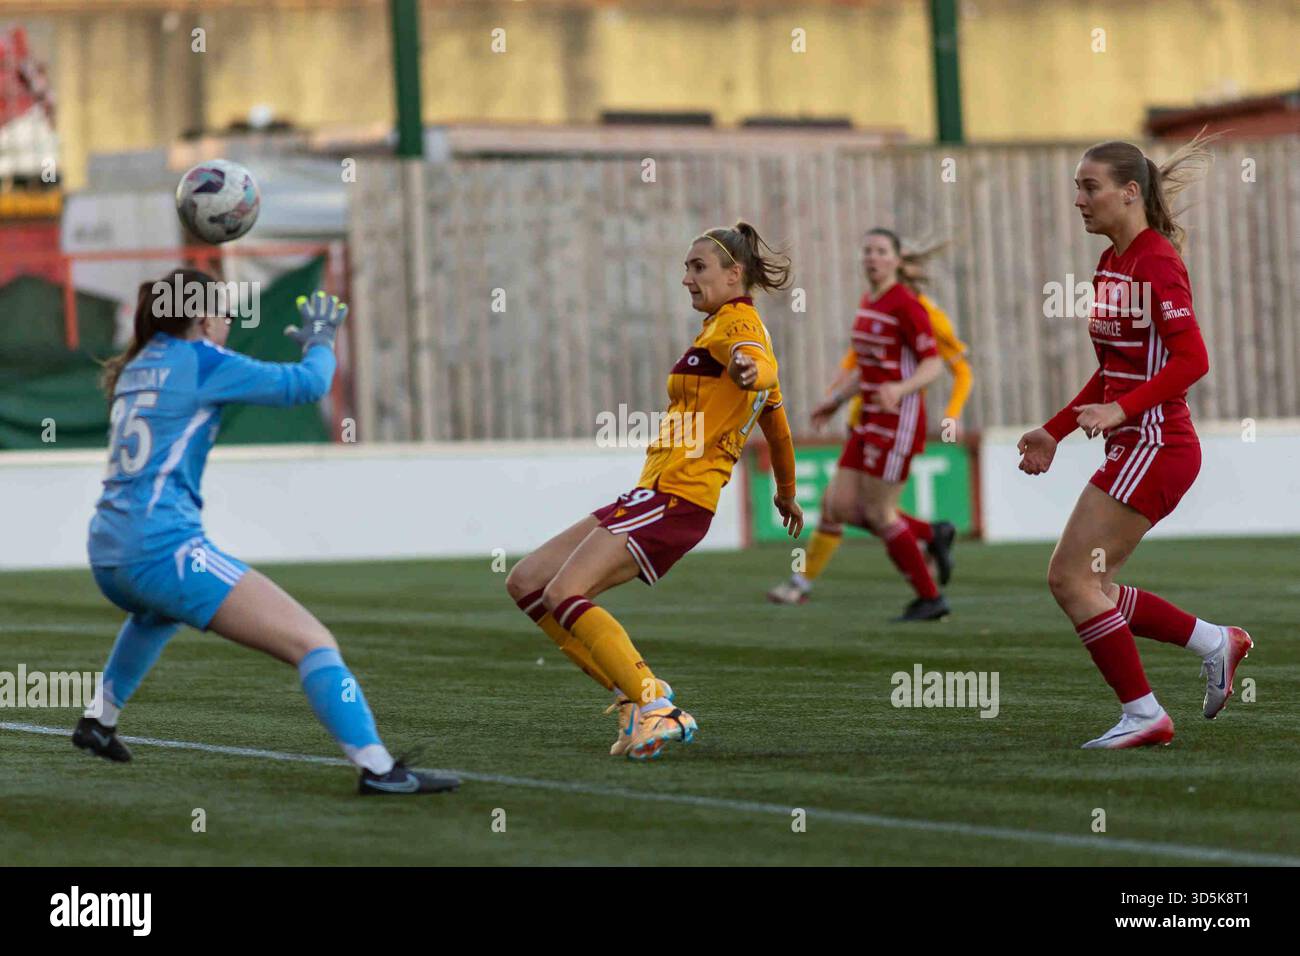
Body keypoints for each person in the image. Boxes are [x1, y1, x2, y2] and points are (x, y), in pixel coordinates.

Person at [74, 269, 458, 794]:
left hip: (107, 550)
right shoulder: (203, 359)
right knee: (313, 643)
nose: (228, 321)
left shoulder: (138, 364)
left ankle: (99, 721)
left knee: (156, 611)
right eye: (224, 312)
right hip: (160, 550)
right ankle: (379, 769)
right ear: (204, 318)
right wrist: (322, 341)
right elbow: (308, 385)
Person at [505, 222, 803, 761]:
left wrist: (748, 368)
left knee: (564, 594)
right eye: (686, 268)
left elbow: (761, 366)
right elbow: (777, 427)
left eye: (698, 268)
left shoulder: (737, 327)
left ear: (734, 274)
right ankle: (633, 697)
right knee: (527, 581)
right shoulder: (722, 326)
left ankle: (654, 703)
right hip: (654, 495)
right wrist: (786, 492)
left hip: (678, 498)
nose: (686, 278)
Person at [1017, 132, 1252, 749]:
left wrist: (1121, 411)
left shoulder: (1155, 261)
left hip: (1157, 445)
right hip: (1137, 443)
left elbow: (1192, 359)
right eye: (1077, 188)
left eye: (1088, 187)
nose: (1078, 200)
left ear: (1130, 192)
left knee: (1071, 579)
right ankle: (1214, 641)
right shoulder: (1112, 263)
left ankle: (1145, 715)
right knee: (1091, 583)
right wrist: (1054, 430)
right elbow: (1117, 367)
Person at [768, 237, 972, 605]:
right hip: (866, 419)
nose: (873, 258)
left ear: (897, 262)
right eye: (868, 251)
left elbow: (937, 364)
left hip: (896, 422)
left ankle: (929, 598)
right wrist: (835, 400)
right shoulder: (869, 303)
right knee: (838, 506)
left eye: (882, 252)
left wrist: (904, 390)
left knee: (878, 512)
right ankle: (930, 534)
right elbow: (867, 365)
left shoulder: (913, 308)